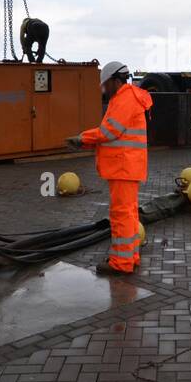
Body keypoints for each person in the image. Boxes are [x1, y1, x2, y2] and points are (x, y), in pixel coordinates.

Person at [67, 61, 153, 275]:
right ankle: (130, 257)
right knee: (130, 214)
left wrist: (81, 138)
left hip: (123, 168)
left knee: (121, 214)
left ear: (116, 80)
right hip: (127, 167)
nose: (104, 90)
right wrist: (86, 140)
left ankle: (121, 263)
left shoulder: (125, 99)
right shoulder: (128, 97)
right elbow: (112, 132)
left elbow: (109, 131)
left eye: (105, 85)